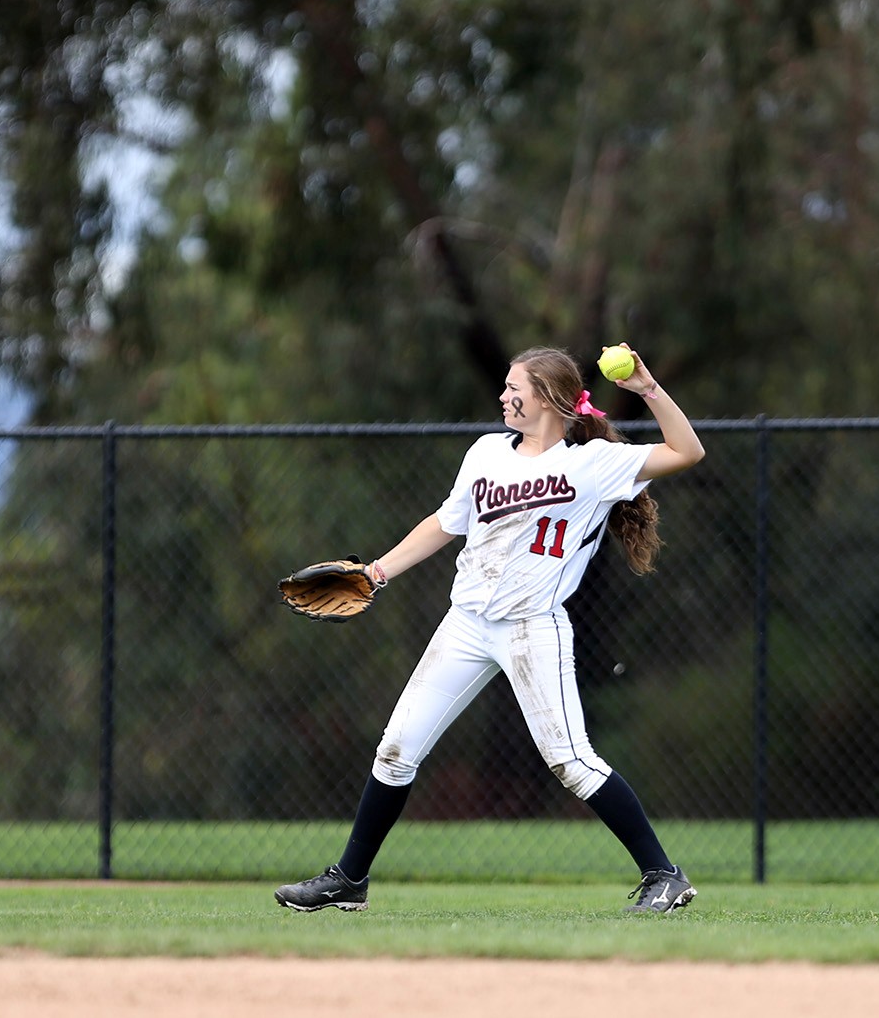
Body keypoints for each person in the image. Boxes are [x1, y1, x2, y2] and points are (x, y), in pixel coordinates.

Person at [275, 343, 706, 914]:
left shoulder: (593, 464)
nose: (503, 396)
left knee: (570, 761)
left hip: (532, 627)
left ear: (548, 398)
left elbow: (687, 451)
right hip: (466, 623)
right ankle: (349, 880)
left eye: (514, 388)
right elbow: (445, 522)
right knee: (396, 750)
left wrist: (647, 389)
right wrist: (376, 573)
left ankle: (664, 875)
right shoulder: (485, 452)